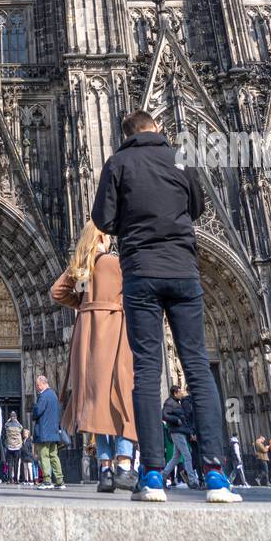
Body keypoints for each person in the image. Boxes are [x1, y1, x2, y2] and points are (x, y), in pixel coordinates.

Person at [92, 108, 240, 503]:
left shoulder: (118, 162)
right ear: (155, 128)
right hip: (182, 270)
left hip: (140, 271)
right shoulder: (178, 157)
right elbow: (197, 207)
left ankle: (153, 474)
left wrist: (131, 221)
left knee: (146, 370)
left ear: (125, 133)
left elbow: (102, 219)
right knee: (197, 367)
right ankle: (215, 474)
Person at [51, 219, 136, 494]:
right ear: (101, 238)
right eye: (108, 235)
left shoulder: (81, 267)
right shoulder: (114, 262)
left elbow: (57, 292)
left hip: (87, 335)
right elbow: (135, 291)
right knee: (123, 397)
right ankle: (124, 464)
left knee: (95, 400)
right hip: (115, 329)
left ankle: (105, 470)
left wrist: (84, 304)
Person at [31, 375, 65, 490]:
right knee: (54, 455)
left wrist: (34, 410)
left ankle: (47, 480)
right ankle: (60, 481)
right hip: (53, 432)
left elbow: (37, 411)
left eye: (37, 385)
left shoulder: (43, 396)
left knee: (44, 456)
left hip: (44, 432)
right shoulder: (54, 395)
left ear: (43, 383)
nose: (37, 387)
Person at [161, 386, 199, 489]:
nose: (182, 393)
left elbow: (184, 420)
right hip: (176, 432)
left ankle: (163, 476)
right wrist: (176, 420)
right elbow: (164, 415)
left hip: (180, 431)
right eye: (180, 392)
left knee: (176, 458)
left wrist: (190, 432)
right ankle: (192, 481)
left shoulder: (176, 402)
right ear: (175, 393)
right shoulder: (169, 402)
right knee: (187, 456)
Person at [4, 410, 23, 483]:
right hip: (17, 446)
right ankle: (15, 479)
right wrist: (16, 420)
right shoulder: (18, 425)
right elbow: (21, 428)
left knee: (10, 463)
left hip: (10, 446)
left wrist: (9, 419)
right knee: (16, 463)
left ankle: (9, 479)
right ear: (15, 417)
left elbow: (5, 426)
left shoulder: (8, 425)